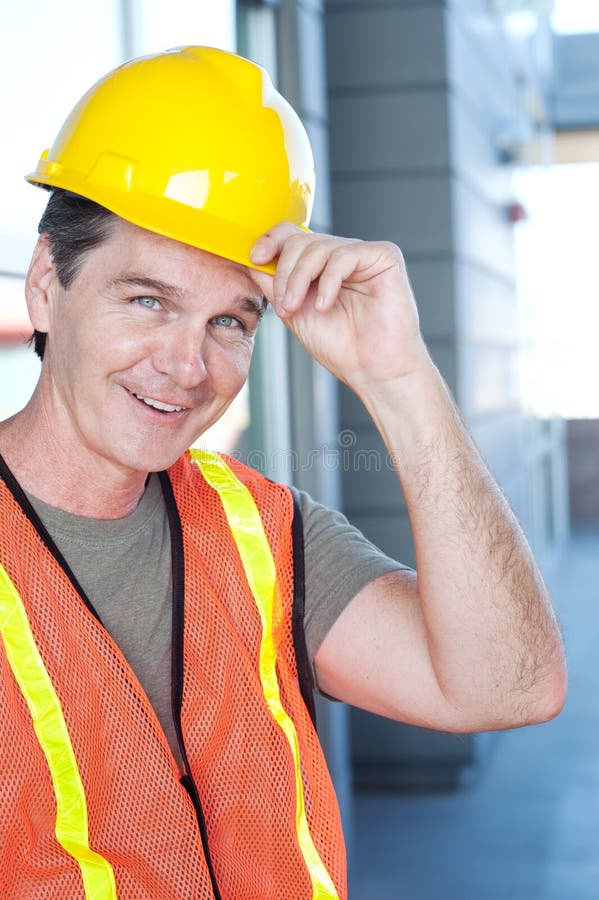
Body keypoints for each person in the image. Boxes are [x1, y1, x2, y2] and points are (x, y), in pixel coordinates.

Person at [0, 46, 565, 900]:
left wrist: (399, 377)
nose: (188, 367)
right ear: (47, 287)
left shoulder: (260, 533)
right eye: (147, 299)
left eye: (230, 321)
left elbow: (508, 686)